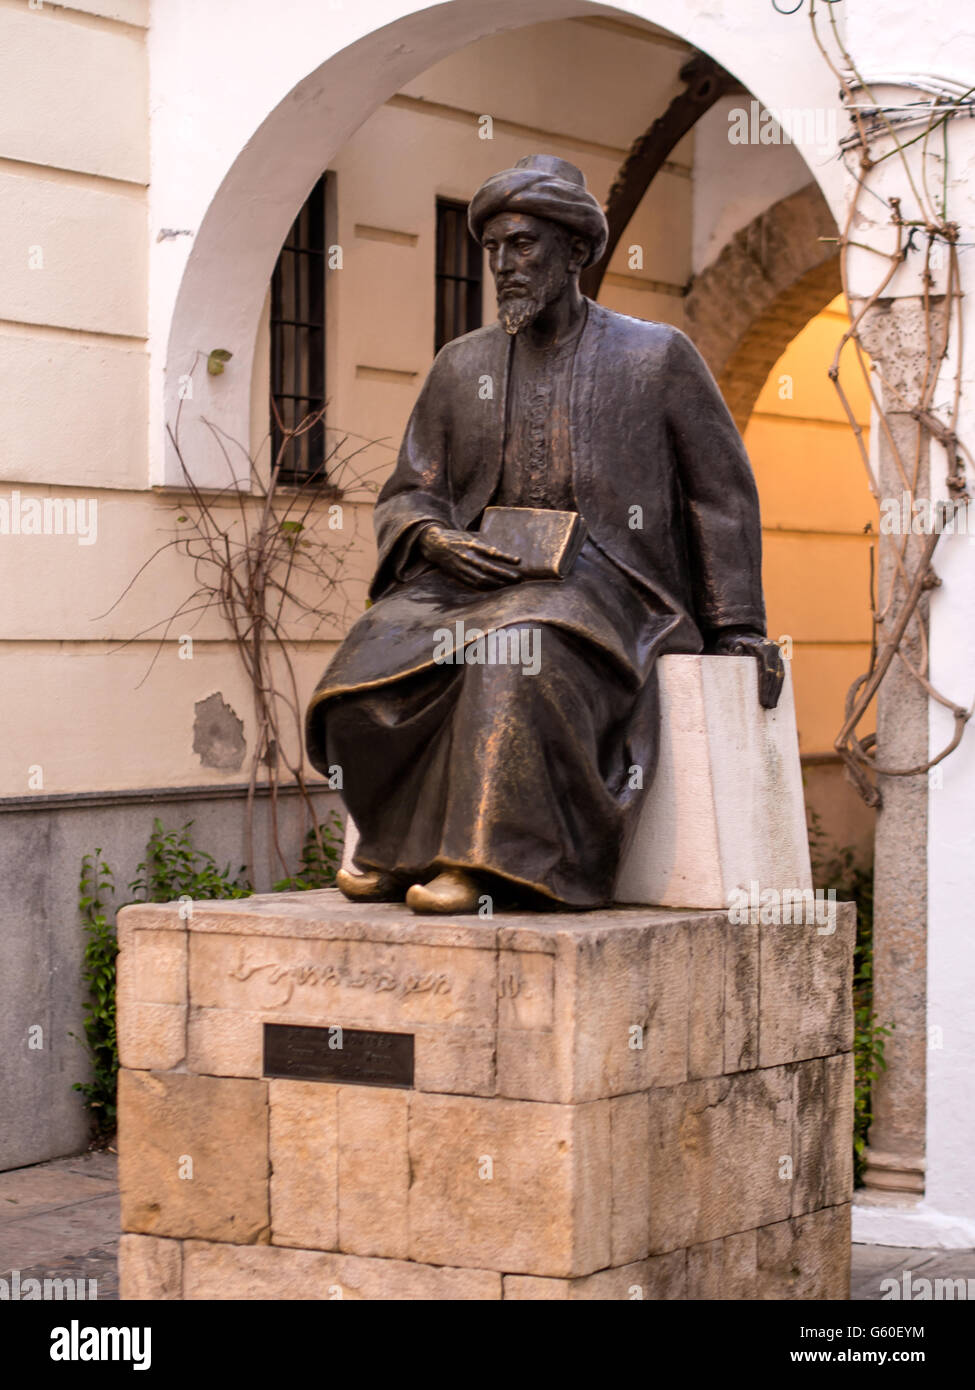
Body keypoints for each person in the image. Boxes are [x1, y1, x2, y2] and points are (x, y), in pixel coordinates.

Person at [305, 154, 783, 914]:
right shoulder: (460, 366)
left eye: (522, 246)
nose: (504, 265)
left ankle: (482, 862)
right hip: (471, 578)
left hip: (612, 581)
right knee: (363, 670)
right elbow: (409, 491)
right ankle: (400, 849)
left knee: (514, 650)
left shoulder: (655, 356)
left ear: (577, 251)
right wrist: (431, 540)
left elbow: (718, 493)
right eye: (493, 249)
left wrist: (738, 625)